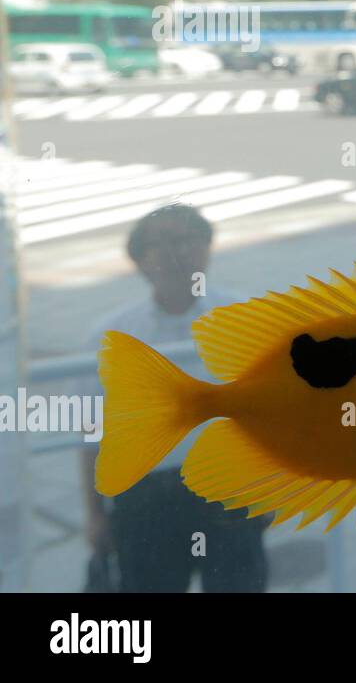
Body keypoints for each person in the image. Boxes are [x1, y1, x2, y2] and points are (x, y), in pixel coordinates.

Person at [80, 204, 268, 593]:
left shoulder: (247, 318)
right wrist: (94, 514)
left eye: (186, 239)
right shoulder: (112, 334)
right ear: (139, 259)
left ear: (207, 247)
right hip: (145, 494)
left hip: (229, 485)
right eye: (159, 243)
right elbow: (90, 430)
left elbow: (274, 412)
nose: (175, 251)